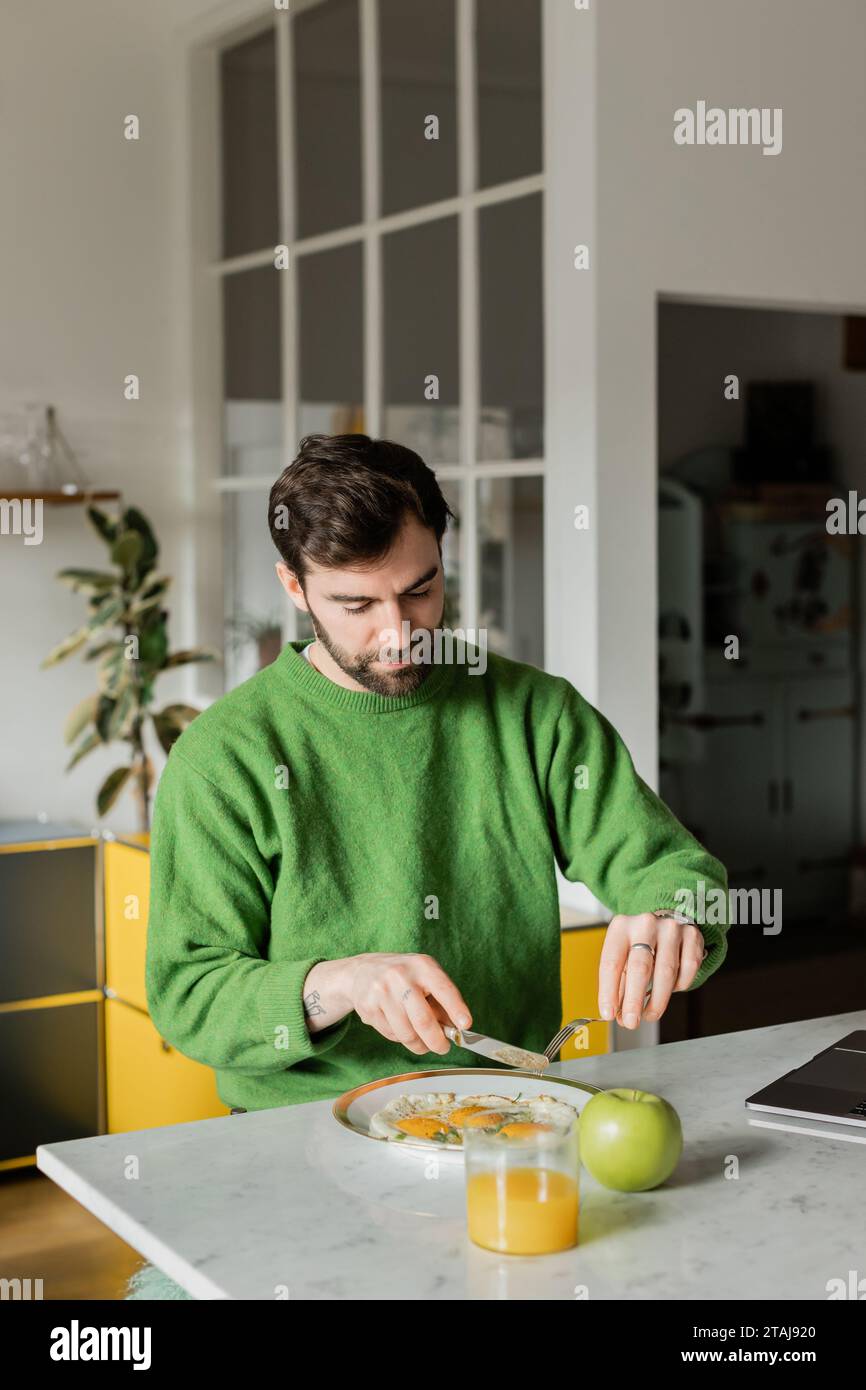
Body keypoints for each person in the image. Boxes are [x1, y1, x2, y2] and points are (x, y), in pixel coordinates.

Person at [145, 433, 728, 1113]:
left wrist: (673, 910)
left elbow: (676, 874)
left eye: (419, 590)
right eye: (356, 606)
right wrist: (336, 984)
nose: (398, 633)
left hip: (508, 1116)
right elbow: (189, 995)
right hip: (297, 1132)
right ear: (296, 587)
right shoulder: (225, 756)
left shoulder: (536, 714)